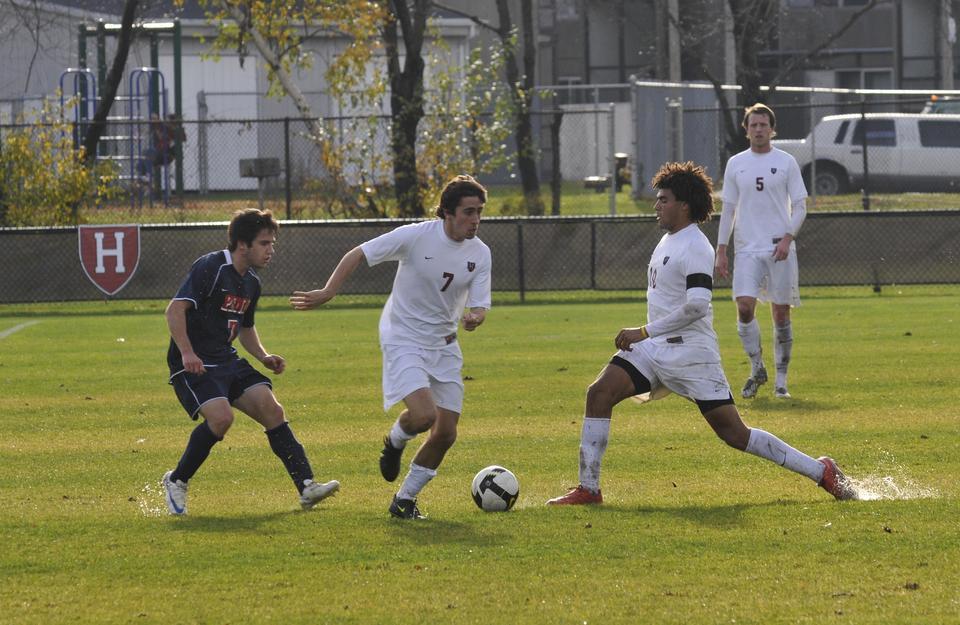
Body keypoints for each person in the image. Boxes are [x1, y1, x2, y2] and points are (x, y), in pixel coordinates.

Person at [546, 161, 855, 506]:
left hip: (691, 355)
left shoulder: (695, 246)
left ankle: (821, 471)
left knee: (735, 434)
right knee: (599, 393)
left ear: (683, 205)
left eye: (663, 199)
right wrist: (647, 337)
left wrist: (643, 331)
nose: (656, 205)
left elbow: (696, 306)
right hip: (654, 350)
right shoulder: (668, 239)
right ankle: (589, 489)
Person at [290, 175, 492, 519]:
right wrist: (328, 291)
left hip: (444, 344)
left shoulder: (481, 253)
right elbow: (358, 253)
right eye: (468, 212)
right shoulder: (416, 236)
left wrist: (475, 316)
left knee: (446, 433)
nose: (475, 220)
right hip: (404, 337)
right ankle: (397, 439)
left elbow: (480, 304)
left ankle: (404, 500)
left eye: (479, 212)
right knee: (425, 416)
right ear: (447, 212)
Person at [162, 208, 339, 515]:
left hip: (226, 360)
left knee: (273, 410)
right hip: (194, 362)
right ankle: (177, 480)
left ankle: (307, 486)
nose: (271, 250)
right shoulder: (212, 266)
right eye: (264, 243)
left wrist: (263, 356)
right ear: (243, 245)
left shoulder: (251, 282)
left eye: (272, 243)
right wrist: (188, 353)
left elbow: (245, 329)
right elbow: (174, 310)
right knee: (221, 419)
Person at [715, 103, 808, 400]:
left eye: (763, 125)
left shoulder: (786, 162)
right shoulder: (736, 163)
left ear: (772, 129)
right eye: (753, 125)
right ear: (746, 130)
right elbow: (728, 209)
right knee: (744, 307)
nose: (758, 130)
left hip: (779, 248)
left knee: (780, 313)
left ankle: (781, 382)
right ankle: (757, 368)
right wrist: (721, 249)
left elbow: (801, 206)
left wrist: (787, 238)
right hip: (746, 249)